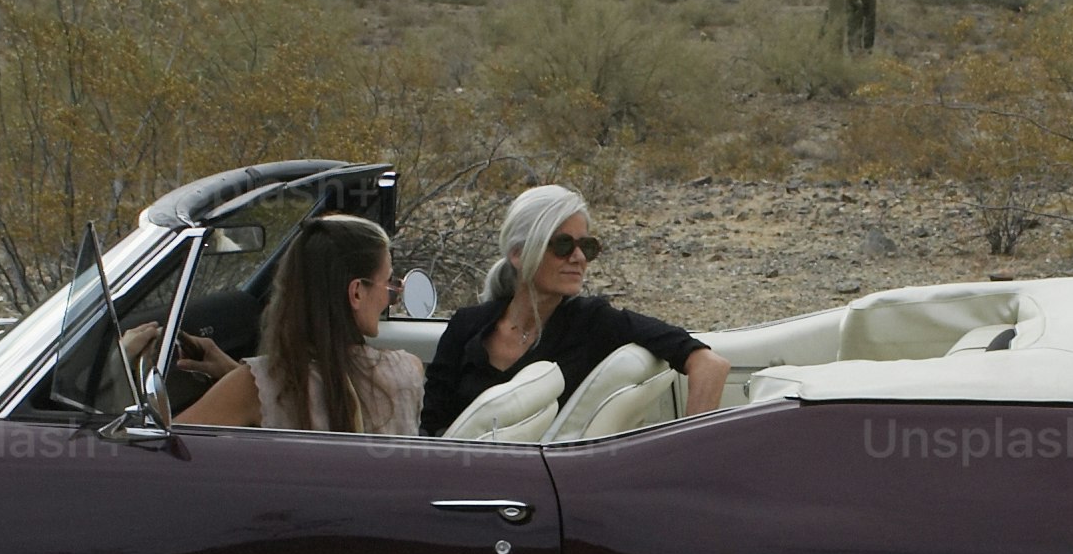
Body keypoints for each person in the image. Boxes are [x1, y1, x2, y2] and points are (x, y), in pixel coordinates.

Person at [418, 182, 731, 434]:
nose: (579, 258)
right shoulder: (466, 326)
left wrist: (691, 455)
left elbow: (709, 365)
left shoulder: (594, 323)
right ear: (518, 254)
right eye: (563, 245)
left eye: (588, 247)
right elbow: (431, 432)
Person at [180, 214, 421, 434]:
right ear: (356, 292)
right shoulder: (408, 372)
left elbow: (168, 445)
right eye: (389, 282)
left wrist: (238, 381)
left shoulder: (252, 387)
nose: (393, 295)